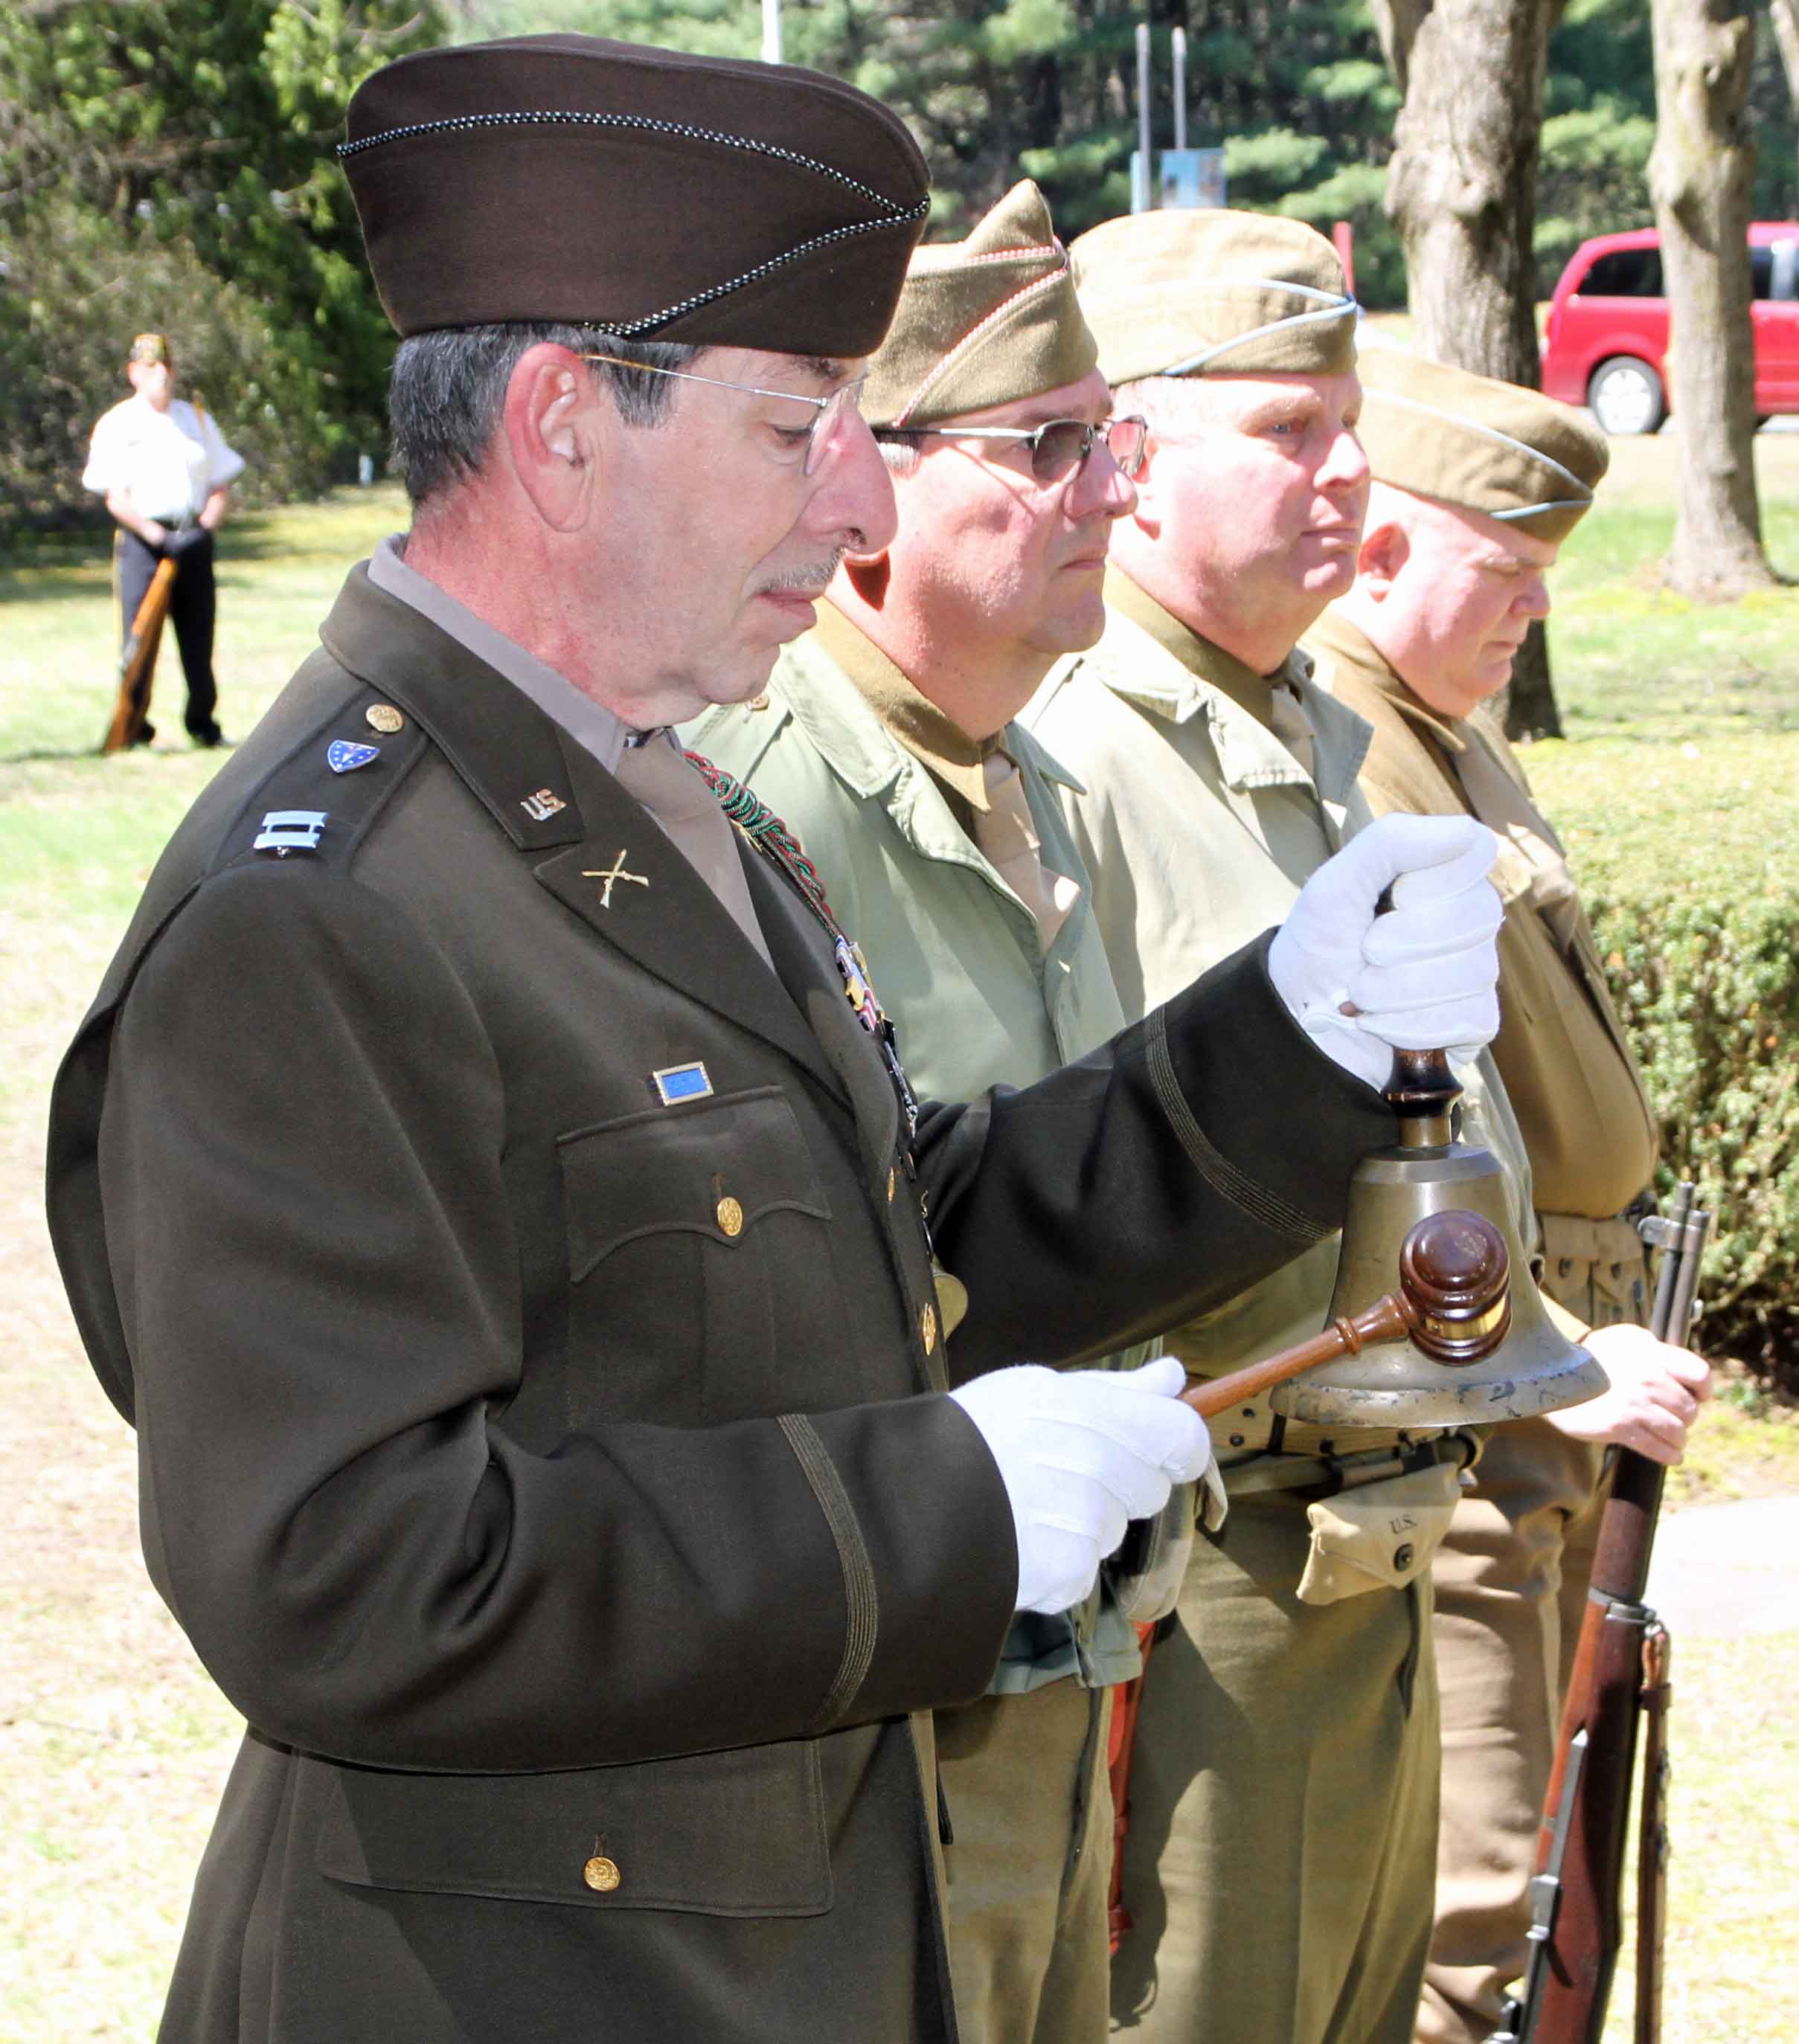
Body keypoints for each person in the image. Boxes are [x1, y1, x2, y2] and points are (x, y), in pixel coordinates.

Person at [43, 37, 1506, 2044]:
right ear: (563, 425)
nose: (866, 489)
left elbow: (892, 1246)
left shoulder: (654, 794)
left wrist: (1287, 1040)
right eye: (801, 418)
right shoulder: (324, 905)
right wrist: (940, 1513)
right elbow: (345, 1573)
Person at [1021, 208, 1549, 2044]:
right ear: (1134, 455)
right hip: (1209, 1572)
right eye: (1285, 430)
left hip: (1372, 1543)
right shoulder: (1073, 744)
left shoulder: (1313, 722)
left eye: (1349, 427)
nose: (1345, 476)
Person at [693, 180, 1175, 2044]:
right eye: (1045, 448)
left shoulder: (1042, 786)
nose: (1105, 491)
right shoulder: (750, 799)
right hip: (875, 1709)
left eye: (1105, 439)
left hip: (1062, 1669)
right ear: (872, 487)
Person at [1303, 347, 1713, 2044]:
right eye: (1504, 569)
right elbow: (1395, 1128)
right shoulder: (1351, 755)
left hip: (1548, 1387)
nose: (1532, 609)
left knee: (1545, 1866)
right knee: (1475, 1909)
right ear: (1384, 549)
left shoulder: (1444, 744)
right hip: (1488, 1398)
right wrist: (1544, 1345)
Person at [82, 332, 243, 747]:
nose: (162, 374)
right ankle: (133, 727)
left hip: (193, 537)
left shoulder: (197, 419)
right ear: (134, 373)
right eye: (152, 366)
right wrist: (156, 535)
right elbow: (115, 498)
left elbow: (220, 482)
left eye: (167, 366)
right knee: (139, 641)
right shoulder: (118, 424)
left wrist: (205, 527)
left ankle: (203, 724)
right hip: (143, 541)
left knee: (198, 639)